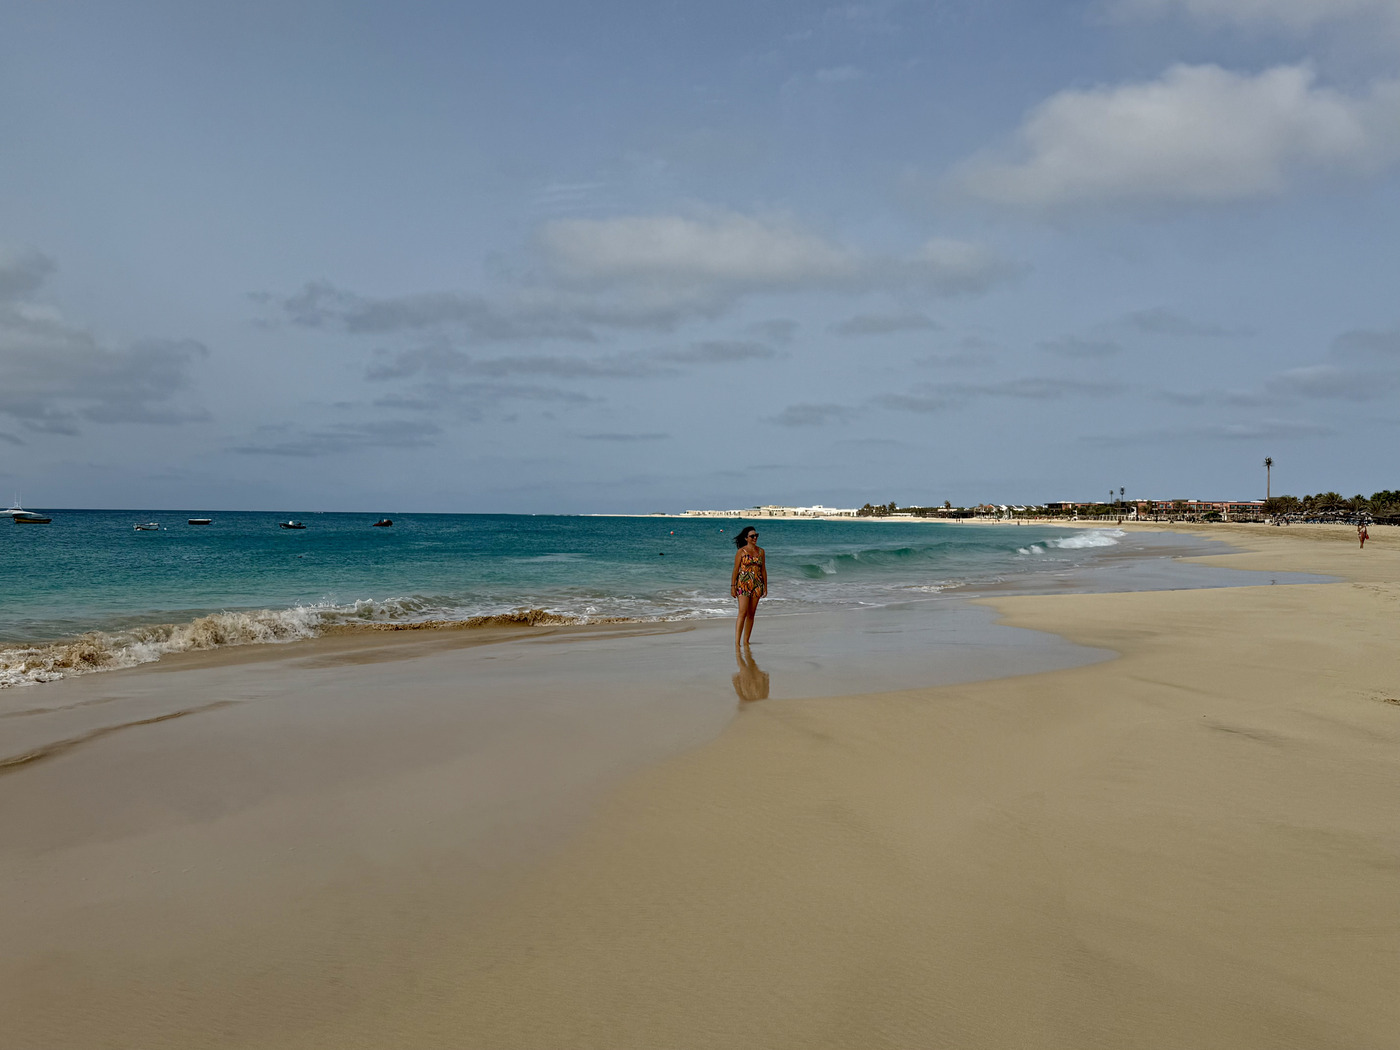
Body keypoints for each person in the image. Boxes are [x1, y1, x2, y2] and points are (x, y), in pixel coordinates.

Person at [730, 526, 766, 647]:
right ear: (746, 538)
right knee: (742, 612)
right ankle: (737, 642)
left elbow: (763, 570)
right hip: (743, 584)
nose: (755, 538)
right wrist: (733, 586)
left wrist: (765, 587)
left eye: (756, 536)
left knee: (751, 614)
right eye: (752, 536)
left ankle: (746, 641)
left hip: (756, 584)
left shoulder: (761, 552)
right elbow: (735, 569)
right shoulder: (741, 552)